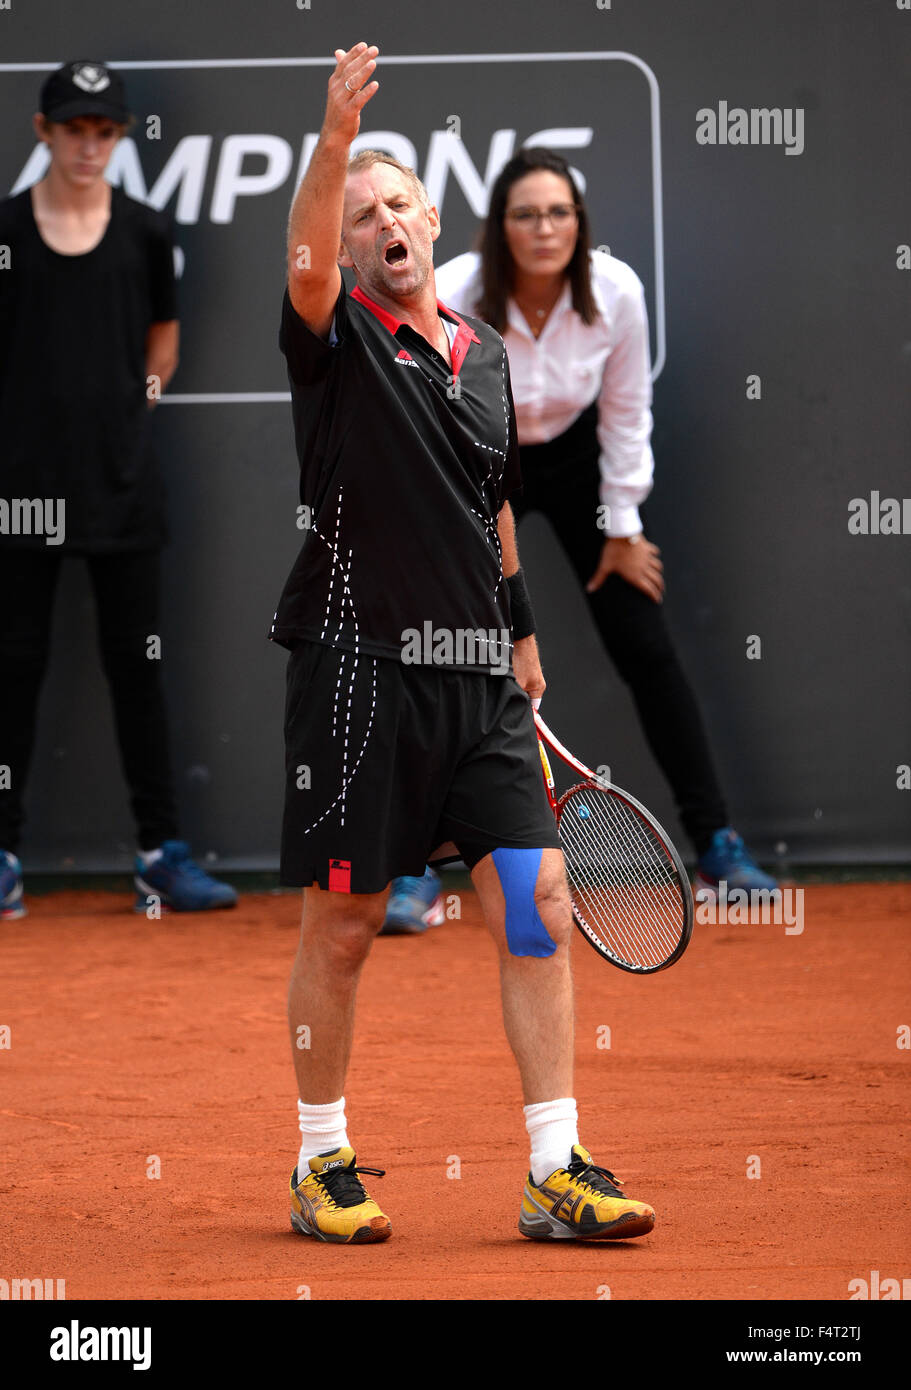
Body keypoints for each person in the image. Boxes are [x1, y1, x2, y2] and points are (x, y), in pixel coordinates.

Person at [272, 43, 656, 1244]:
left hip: (479, 675)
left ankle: (554, 1165)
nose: (384, 222)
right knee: (346, 921)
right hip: (356, 671)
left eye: (400, 203)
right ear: (342, 244)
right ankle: (319, 1160)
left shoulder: (485, 355)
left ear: (434, 220)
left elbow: (489, 494)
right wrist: (334, 145)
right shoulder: (330, 341)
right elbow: (312, 237)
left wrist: (523, 627)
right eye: (362, 212)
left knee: (533, 900)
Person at [434, 147, 777, 902]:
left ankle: (716, 842)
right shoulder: (453, 291)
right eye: (525, 214)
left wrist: (621, 524)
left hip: (578, 463)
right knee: (452, 653)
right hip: (481, 465)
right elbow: (432, 415)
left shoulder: (614, 289)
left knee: (645, 643)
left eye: (559, 213)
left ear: (578, 223)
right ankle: (420, 865)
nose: (543, 228)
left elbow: (625, 410)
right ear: (500, 226)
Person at [0, 60, 237, 918]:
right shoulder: (6, 235)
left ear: (119, 137)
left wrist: (118, 416)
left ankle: (160, 854)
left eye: (103, 132)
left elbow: (162, 345)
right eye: (73, 130)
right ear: (43, 132)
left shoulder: (143, 232)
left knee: (137, 672)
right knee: (12, 671)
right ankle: (3, 856)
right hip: (19, 497)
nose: (88, 146)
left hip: (123, 490)